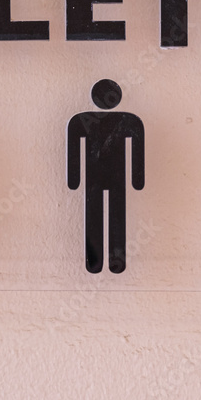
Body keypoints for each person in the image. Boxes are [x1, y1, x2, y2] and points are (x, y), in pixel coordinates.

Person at [67, 79, 145, 274]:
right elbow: (137, 149)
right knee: (113, 216)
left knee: (99, 215)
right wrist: (137, 180)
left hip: (97, 178)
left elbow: (74, 149)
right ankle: (110, 261)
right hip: (113, 178)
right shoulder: (127, 120)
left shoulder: (83, 120)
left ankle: (98, 261)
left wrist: (74, 180)